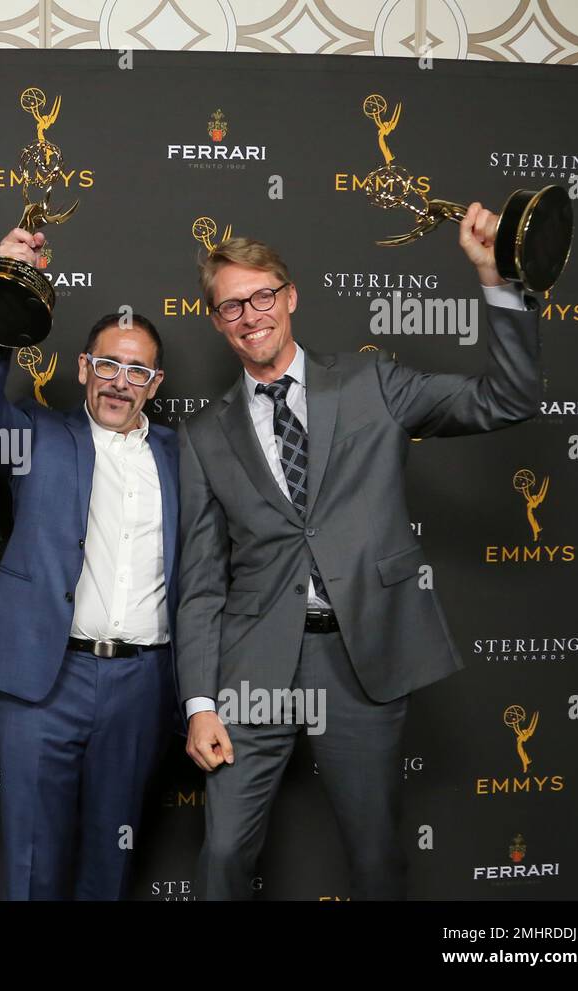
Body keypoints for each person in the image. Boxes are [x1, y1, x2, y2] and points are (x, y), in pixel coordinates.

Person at [177, 205, 542, 899]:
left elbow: (509, 397)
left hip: (361, 654)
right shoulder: (202, 435)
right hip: (251, 664)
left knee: (375, 855)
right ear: (218, 320)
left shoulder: (373, 382)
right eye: (231, 306)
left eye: (261, 296)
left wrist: (495, 278)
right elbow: (199, 583)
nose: (250, 314)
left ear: (289, 297)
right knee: (223, 850)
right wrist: (199, 700)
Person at [0, 227, 180, 900]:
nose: (120, 381)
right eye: (107, 364)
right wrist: (3, 287)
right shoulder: (34, 433)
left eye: (137, 370)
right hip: (43, 680)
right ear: (82, 367)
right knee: (31, 860)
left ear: (155, 382)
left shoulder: (183, 457)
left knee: (109, 861)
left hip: (140, 684)